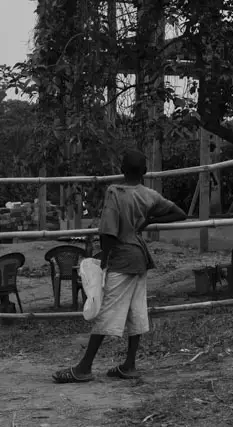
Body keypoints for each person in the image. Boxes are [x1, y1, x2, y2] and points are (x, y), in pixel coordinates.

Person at [52, 149, 186, 383]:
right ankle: (129, 365)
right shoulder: (149, 195)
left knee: (106, 312)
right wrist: (151, 219)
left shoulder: (115, 192)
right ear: (145, 172)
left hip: (122, 258)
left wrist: (103, 260)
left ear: (122, 170)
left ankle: (84, 368)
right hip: (140, 258)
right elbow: (180, 213)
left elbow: (108, 232)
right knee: (136, 311)